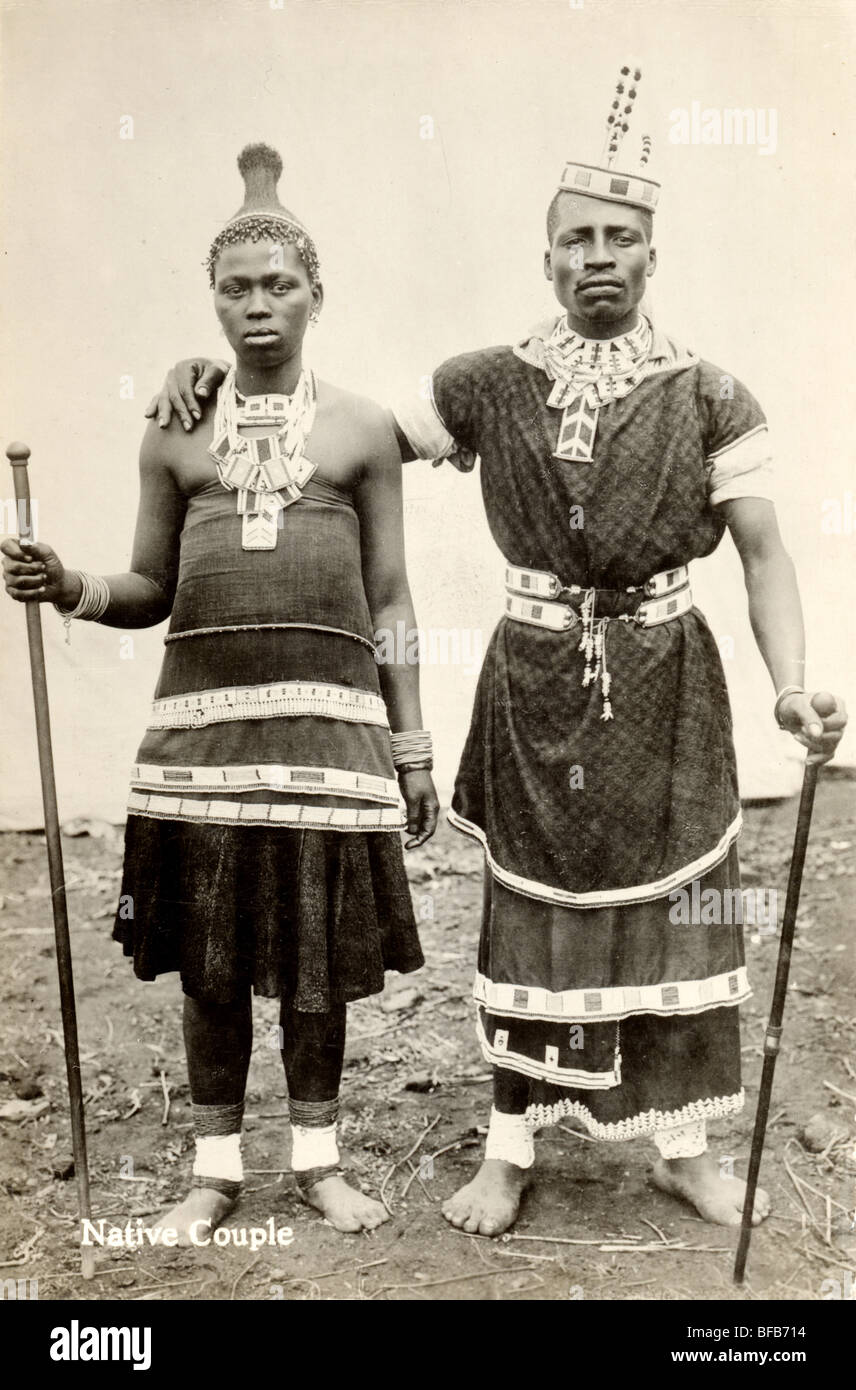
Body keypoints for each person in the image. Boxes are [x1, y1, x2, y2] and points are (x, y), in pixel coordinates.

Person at [147, 75, 847, 1238]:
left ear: (652, 255)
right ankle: (510, 1147)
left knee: (682, 909)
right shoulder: (486, 382)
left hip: (670, 674)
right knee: (525, 911)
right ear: (547, 259)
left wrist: (790, 686)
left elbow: (764, 554)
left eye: (620, 238)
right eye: (576, 238)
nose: (598, 256)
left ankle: (683, 1149)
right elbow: (348, 434)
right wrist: (221, 374)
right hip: (527, 683)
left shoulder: (711, 393)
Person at [2, 143, 438, 1239]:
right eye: (235, 288)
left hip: (330, 732)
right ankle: (214, 1168)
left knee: (314, 959)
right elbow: (149, 585)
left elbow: (389, 591)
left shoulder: (363, 429)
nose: (257, 305)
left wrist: (415, 740)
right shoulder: (173, 428)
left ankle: (319, 1160)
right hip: (200, 739)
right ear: (212, 300)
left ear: (316, 296)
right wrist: (72, 586)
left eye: (278, 284)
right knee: (208, 961)